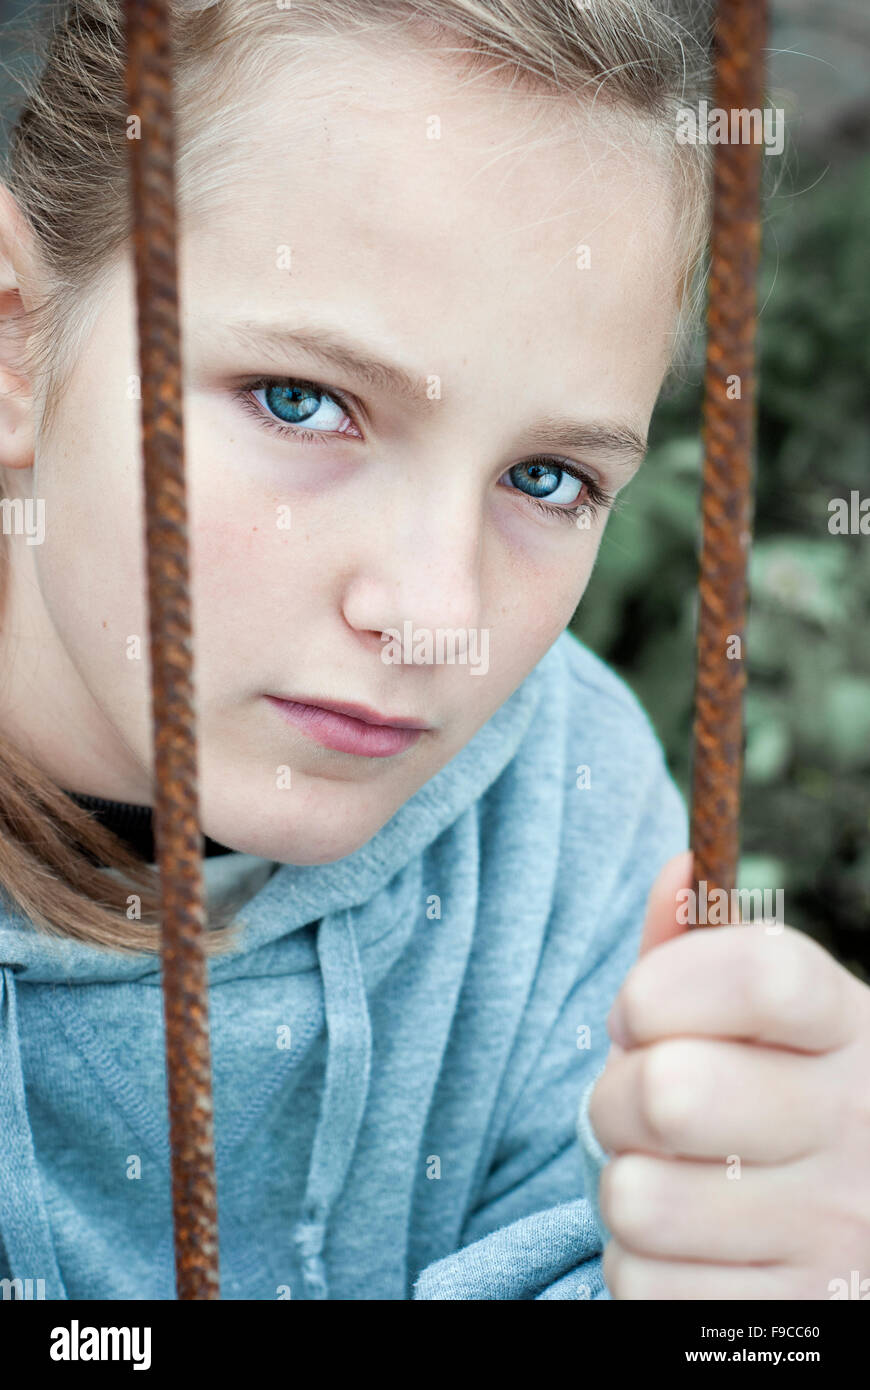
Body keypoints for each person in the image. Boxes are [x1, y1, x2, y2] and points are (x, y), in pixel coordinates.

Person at [0, 0, 865, 1302]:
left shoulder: (556, 806)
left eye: (548, 476)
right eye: (306, 402)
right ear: (16, 337)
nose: (433, 611)